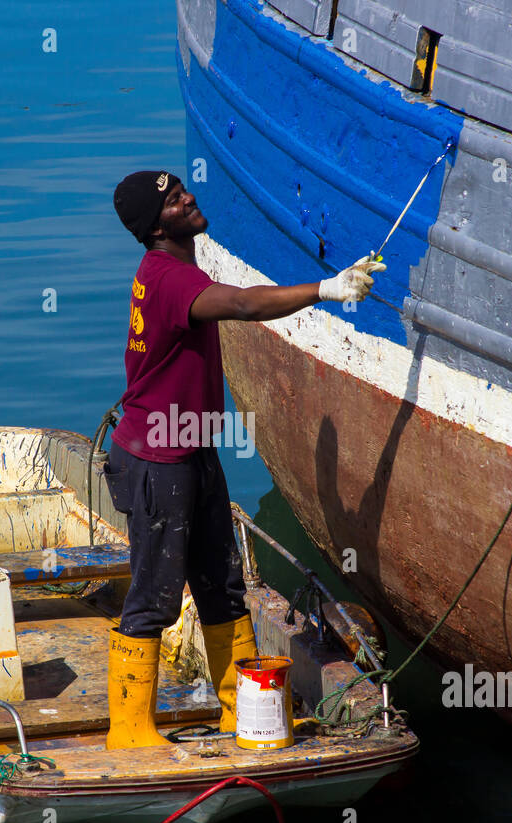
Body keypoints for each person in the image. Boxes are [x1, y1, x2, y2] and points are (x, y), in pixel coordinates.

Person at [103, 169, 383, 749]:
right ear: (156, 226)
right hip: (157, 460)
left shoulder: (179, 271)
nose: (187, 196)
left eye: (181, 187)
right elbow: (246, 305)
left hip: (193, 450)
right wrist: (326, 289)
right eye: (173, 199)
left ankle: (240, 713)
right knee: (154, 596)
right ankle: (130, 730)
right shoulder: (168, 279)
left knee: (222, 587)